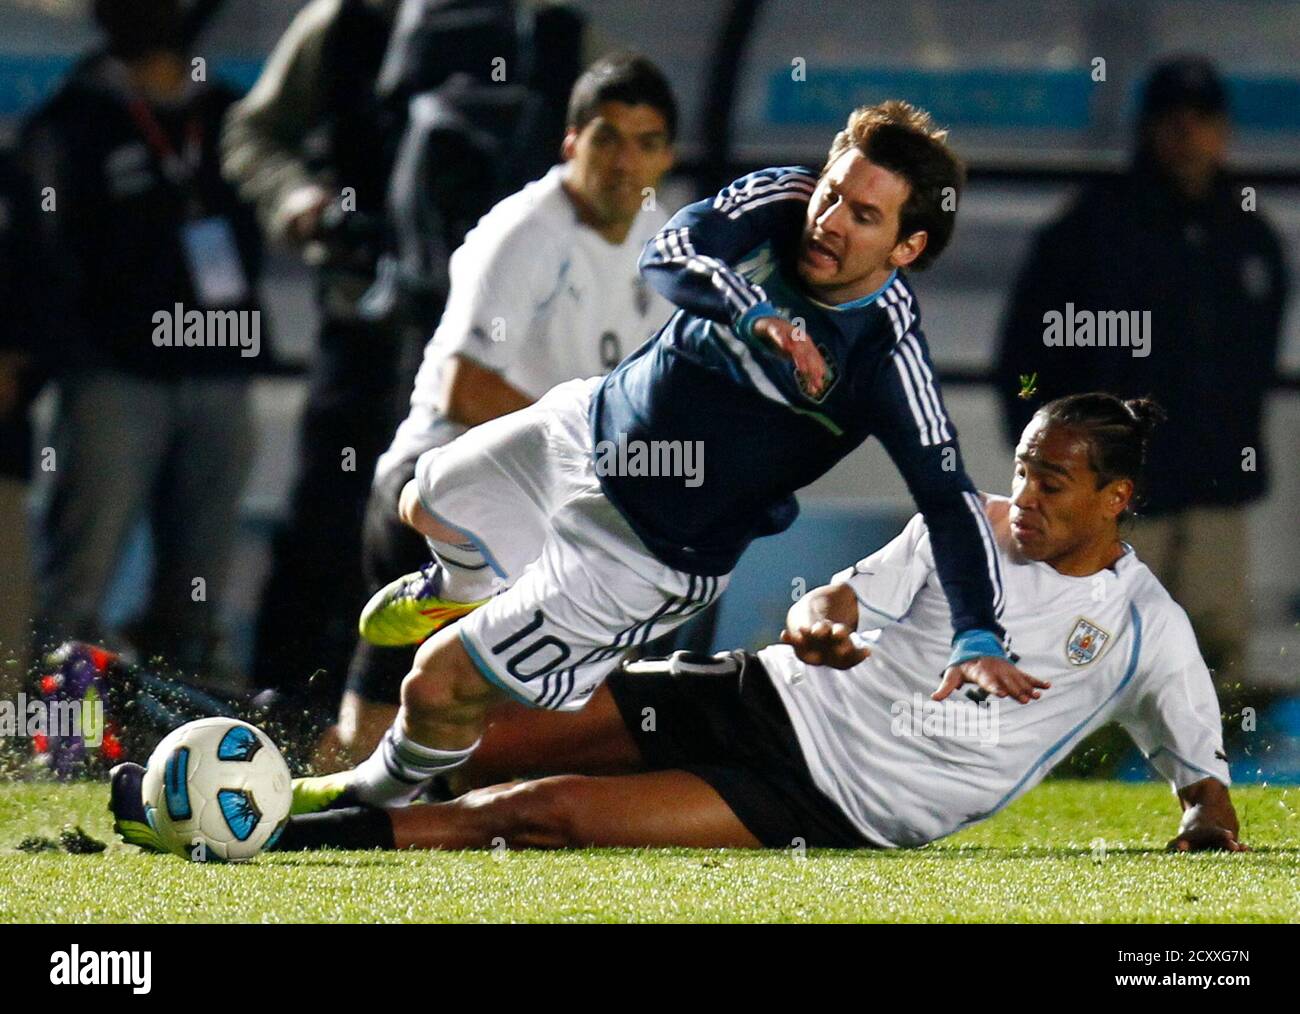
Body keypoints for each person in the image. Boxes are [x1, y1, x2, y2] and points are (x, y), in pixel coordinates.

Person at [285, 98, 1039, 815]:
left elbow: (949, 502)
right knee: (426, 498)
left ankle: (370, 798)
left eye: (864, 215)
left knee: (437, 684)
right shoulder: (781, 200)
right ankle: (464, 584)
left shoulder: (887, 363)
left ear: (907, 248)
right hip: (589, 428)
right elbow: (668, 251)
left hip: (644, 555)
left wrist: (976, 631)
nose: (830, 219)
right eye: (835, 192)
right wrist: (753, 312)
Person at [109, 393, 1244, 852]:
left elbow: (1198, 768)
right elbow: (841, 597)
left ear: (1117, 501)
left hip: (832, 799)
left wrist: (1206, 813)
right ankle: (251, 790)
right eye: (1027, 469)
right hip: (765, 693)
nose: (1029, 496)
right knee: (466, 740)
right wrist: (818, 619)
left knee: (544, 811)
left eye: (1057, 483)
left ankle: (261, 845)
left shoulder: (1147, 631)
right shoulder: (972, 527)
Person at [331, 52, 677, 766]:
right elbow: (464, 387)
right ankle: (313, 806)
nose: (623, 162)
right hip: (441, 485)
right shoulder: (524, 234)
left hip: (562, 502)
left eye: (645, 143)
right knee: (394, 730)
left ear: (667, 156)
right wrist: (597, 455)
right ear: (571, 142)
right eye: (607, 137)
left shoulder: (661, 238)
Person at [994, 55, 1290, 681]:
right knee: (1094, 654)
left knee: (1213, 659)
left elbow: (1251, 366)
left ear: (1222, 130)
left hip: (1211, 488)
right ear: (1147, 129)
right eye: (1171, 119)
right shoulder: (1092, 230)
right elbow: (1023, 359)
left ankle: (1205, 774)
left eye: (1201, 118)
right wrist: (1044, 457)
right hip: (1112, 494)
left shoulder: (1246, 236)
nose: (1186, 134)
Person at [20, 0, 265, 679]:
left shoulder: (227, 111)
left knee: (200, 579)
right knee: (82, 575)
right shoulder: (73, 118)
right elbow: (45, 254)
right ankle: (56, 740)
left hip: (218, 368)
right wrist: (67, 356)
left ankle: (193, 729)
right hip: (113, 375)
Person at [221, 0, 404, 703]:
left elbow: (613, 131)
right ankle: (288, 705)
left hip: (501, 334)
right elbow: (253, 132)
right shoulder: (341, 24)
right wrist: (298, 198)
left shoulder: (539, 26)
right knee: (329, 516)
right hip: (363, 316)